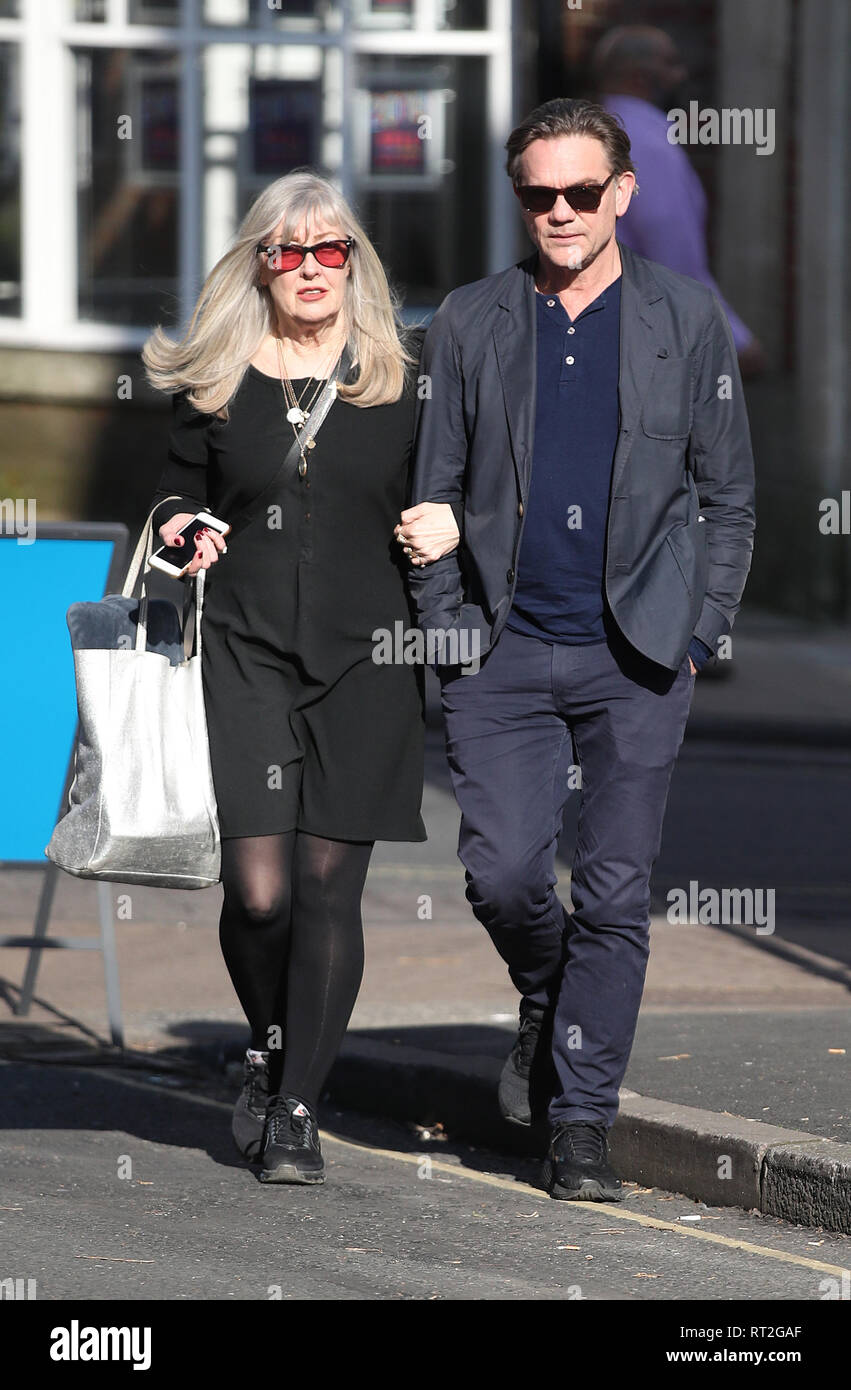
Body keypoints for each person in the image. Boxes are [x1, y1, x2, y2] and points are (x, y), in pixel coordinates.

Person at [400, 98, 755, 1201]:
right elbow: (431, 495)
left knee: (611, 890)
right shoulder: (468, 319)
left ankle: (581, 1123)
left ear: (622, 194)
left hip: (637, 653)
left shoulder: (681, 320)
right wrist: (445, 622)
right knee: (502, 874)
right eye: (536, 194)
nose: (557, 212)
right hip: (499, 652)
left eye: (580, 192)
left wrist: (698, 628)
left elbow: (727, 496)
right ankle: (549, 1000)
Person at [142, 170, 442, 1185]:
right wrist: (181, 524)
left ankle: (297, 1107)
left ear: (353, 260)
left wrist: (453, 525)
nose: (311, 269)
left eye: (330, 250)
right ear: (258, 264)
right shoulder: (217, 379)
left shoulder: (401, 377)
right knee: (261, 893)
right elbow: (175, 488)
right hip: (245, 649)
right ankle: (269, 1054)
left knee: (326, 889)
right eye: (288, 251)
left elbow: (466, 494)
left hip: (368, 660)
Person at [593, 25, 765, 377]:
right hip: (651, 345)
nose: (681, 75)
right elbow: (674, 259)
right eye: (670, 64)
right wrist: (735, 338)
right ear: (639, 74)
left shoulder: (598, 132)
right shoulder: (647, 144)